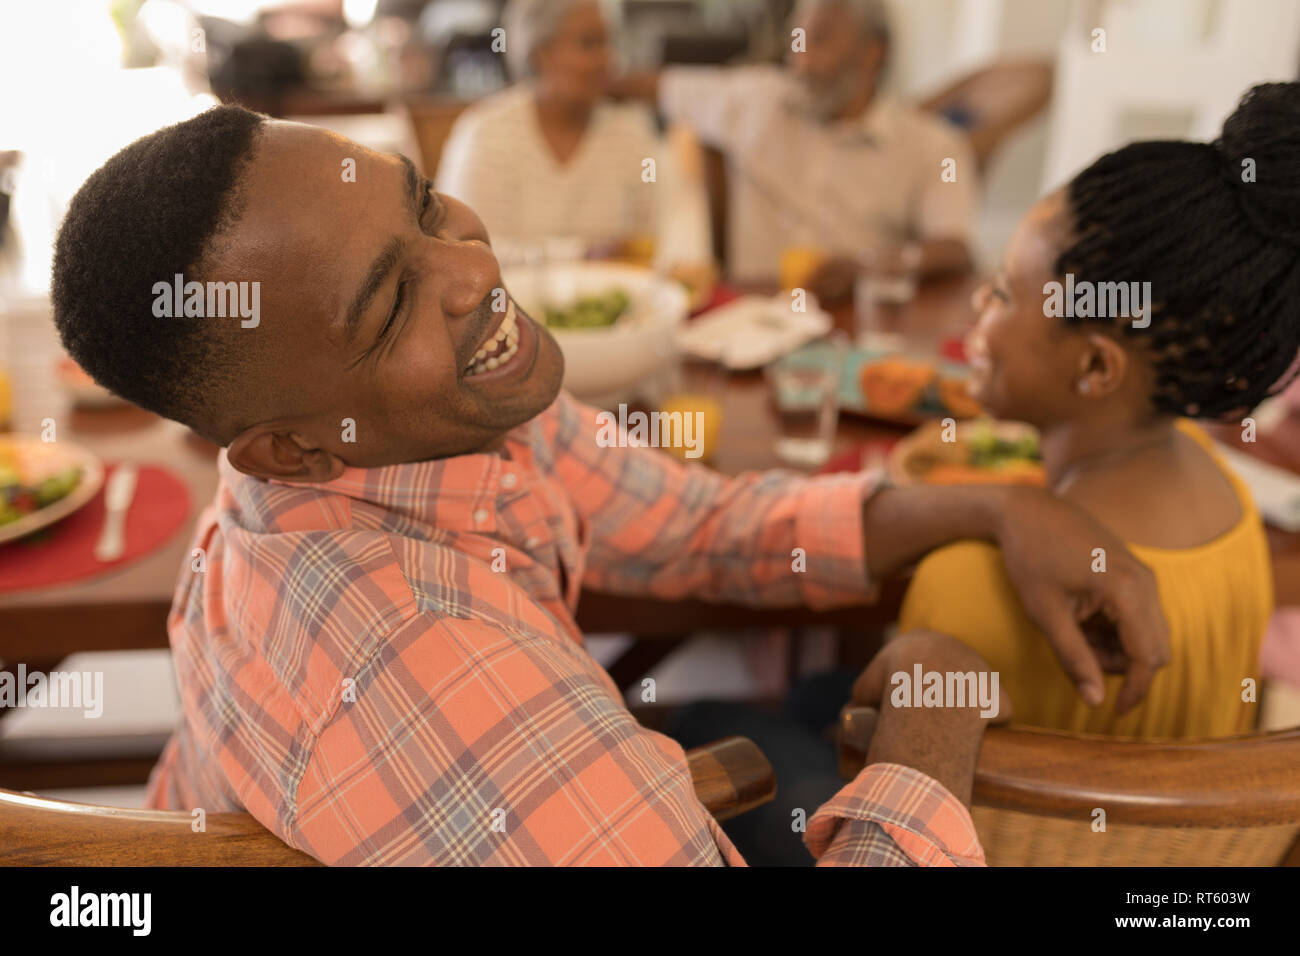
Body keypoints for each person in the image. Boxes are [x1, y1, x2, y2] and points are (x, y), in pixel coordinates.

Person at [50, 105, 1167, 865]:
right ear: (287, 451)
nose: (478, 267)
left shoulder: (434, 428)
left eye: (426, 204)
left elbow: (699, 524)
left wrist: (992, 502)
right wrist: (932, 715)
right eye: (389, 303)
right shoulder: (428, 674)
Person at [899, 83, 1300, 738]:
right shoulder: (1232, 510)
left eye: (1004, 292)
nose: (978, 305)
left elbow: (895, 788)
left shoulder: (966, 588)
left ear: (1095, 368)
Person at [609, 0, 976, 298]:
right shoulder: (756, 98)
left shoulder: (932, 146)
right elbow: (648, 86)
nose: (801, 61)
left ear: (872, 53)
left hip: (855, 320)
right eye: (796, 40)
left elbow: (954, 248)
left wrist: (869, 266)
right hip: (754, 317)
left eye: (820, 40)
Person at [435, 0, 713, 281]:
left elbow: (645, 246)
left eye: (608, 43)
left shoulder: (632, 133)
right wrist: (582, 254)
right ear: (541, 54)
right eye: (589, 43)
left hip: (611, 303)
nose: (607, 60)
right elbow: (469, 255)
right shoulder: (485, 134)